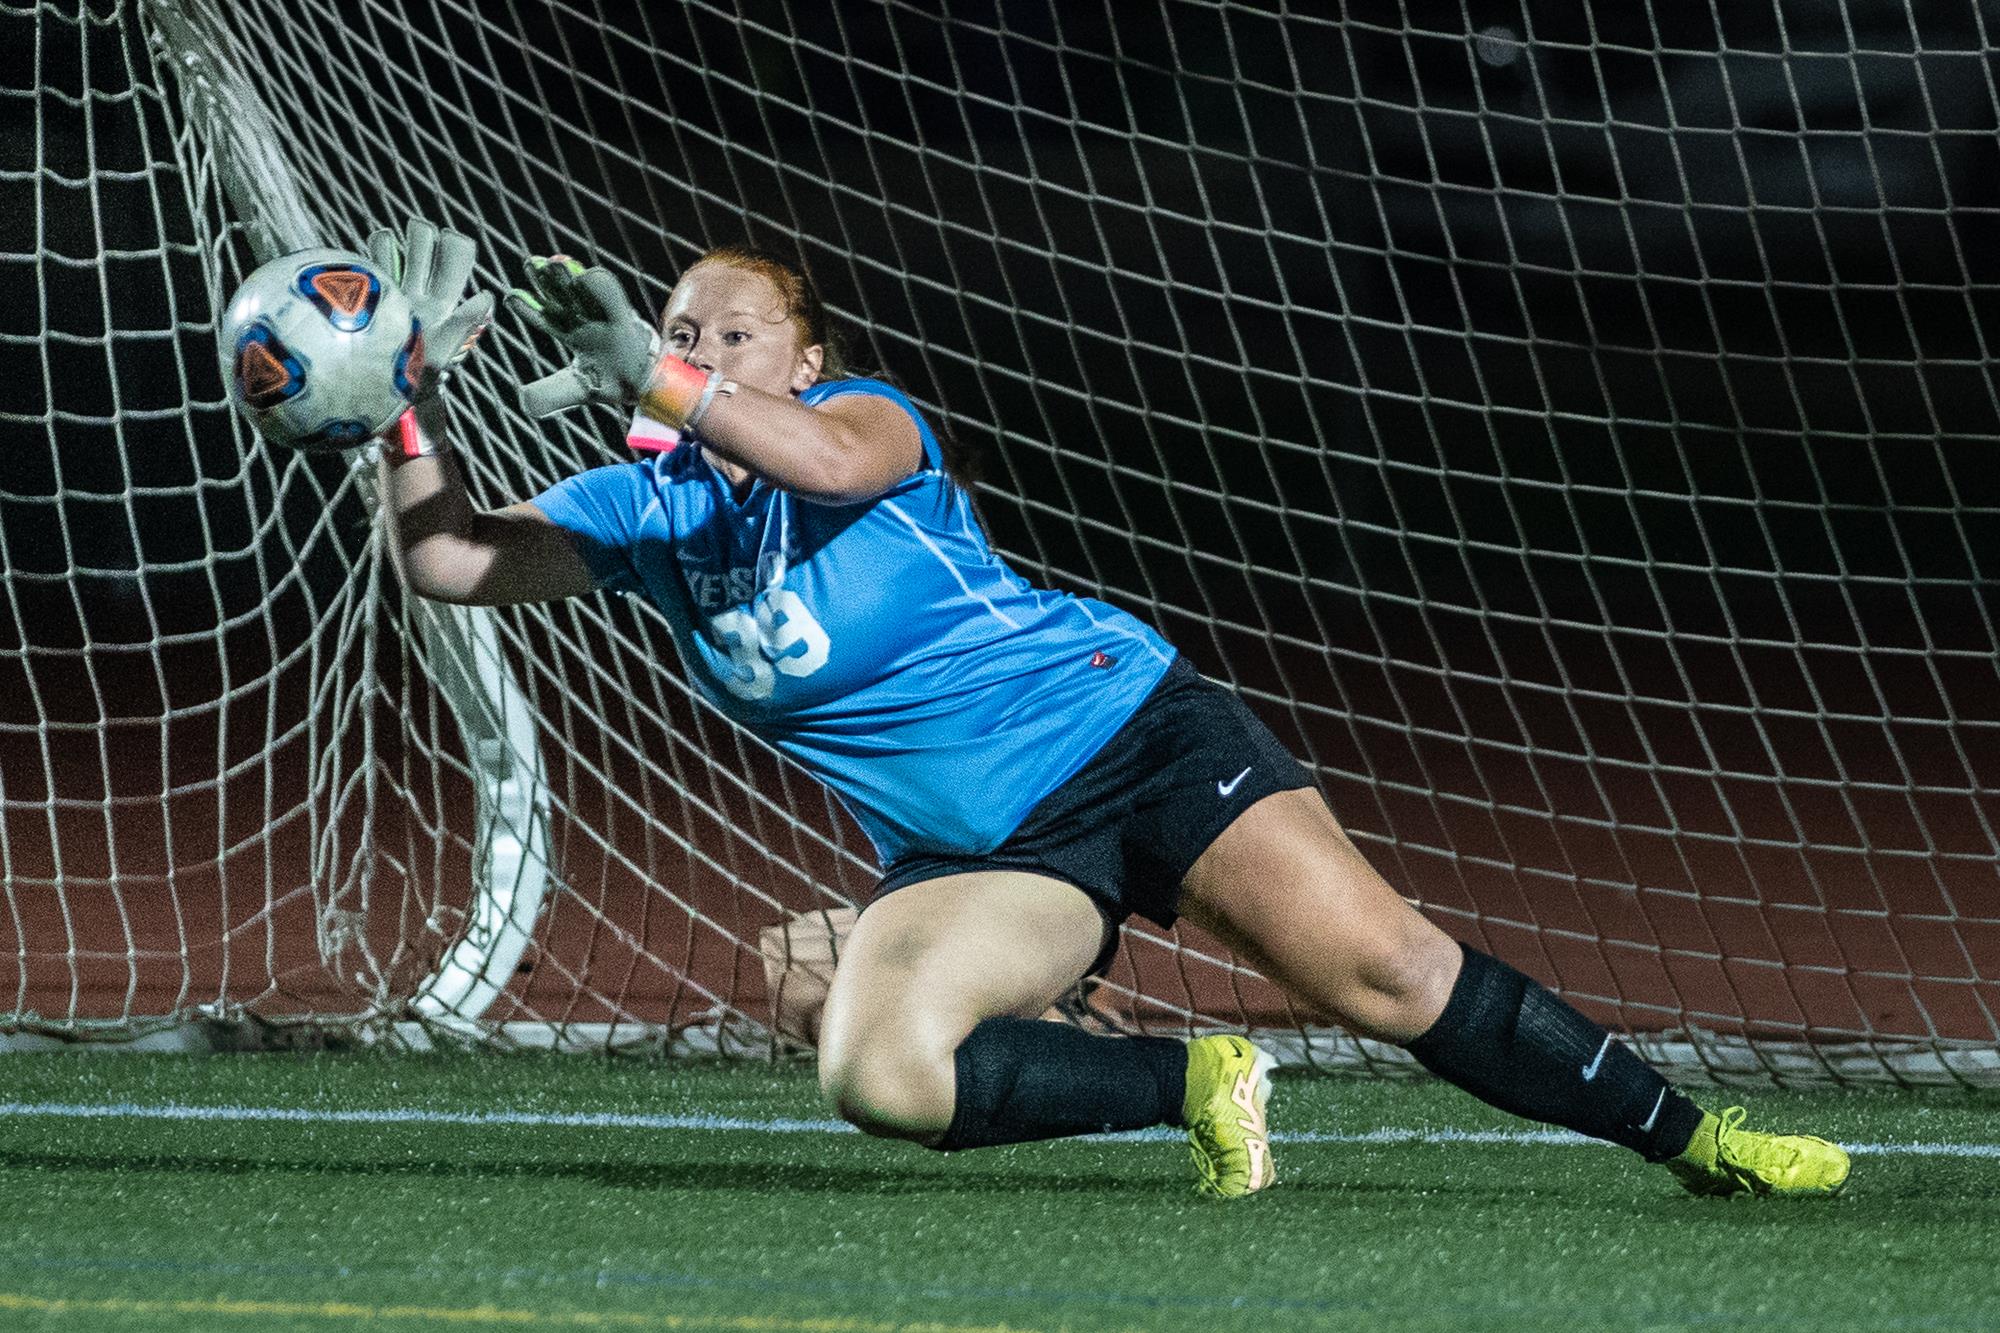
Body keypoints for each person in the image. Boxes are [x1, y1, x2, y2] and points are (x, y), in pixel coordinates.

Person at [370, 218, 1849, 1199]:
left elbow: (818, 469)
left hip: (1134, 738)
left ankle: (1700, 1139)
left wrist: (660, 371)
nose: (693, 341)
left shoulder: (871, 419)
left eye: (727, 331)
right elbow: (447, 557)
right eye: (675, 323)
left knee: (1388, 975)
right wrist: (396, 401)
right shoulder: (639, 510)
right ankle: (1196, 1075)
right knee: (880, 1073)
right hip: (986, 853)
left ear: (804, 359)